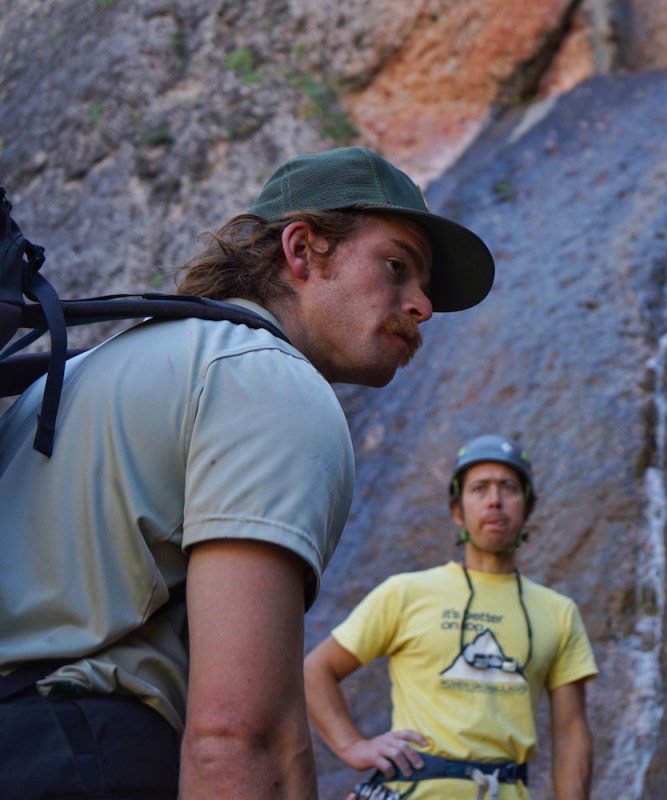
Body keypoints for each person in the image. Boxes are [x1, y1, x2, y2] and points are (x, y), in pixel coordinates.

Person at [0, 146, 495, 799]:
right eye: (398, 267)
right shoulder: (270, 383)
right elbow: (236, 738)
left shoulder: (85, 370)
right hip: (91, 757)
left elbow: (280, 724)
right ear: (302, 250)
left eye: (424, 287)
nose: (422, 306)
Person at [304, 434, 597, 800]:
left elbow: (571, 732)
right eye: (479, 489)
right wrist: (352, 746)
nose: (494, 500)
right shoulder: (406, 593)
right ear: (458, 510)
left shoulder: (559, 612)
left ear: (528, 508)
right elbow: (316, 671)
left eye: (509, 487)